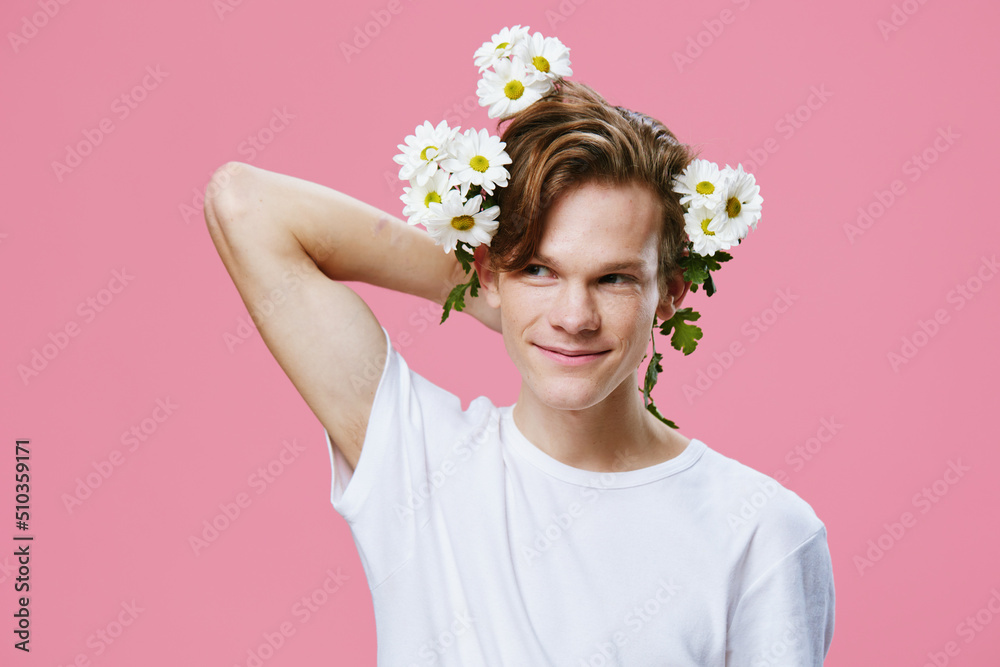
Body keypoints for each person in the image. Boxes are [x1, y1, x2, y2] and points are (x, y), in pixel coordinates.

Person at [204, 78, 834, 666]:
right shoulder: (420, 464)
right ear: (491, 268)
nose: (574, 316)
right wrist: (489, 293)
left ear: (668, 293)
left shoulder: (763, 531)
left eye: (613, 278)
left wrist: (519, 291)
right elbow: (244, 203)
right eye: (541, 269)